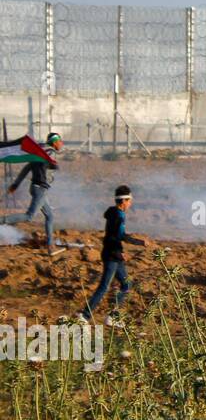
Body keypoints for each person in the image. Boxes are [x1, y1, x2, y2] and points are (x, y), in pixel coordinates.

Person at [79, 185, 147, 326]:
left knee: (126, 284)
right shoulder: (119, 215)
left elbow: (112, 236)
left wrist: (120, 252)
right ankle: (85, 315)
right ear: (123, 201)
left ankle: (113, 317)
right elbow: (119, 236)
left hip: (114, 254)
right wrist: (140, 242)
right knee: (104, 286)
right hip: (112, 255)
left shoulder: (113, 213)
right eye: (129, 200)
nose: (130, 203)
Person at [2, 132, 65, 257]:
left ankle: (50, 246)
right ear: (54, 142)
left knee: (50, 216)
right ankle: (2, 221)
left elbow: (27, 168)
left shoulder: (39, 152)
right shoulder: (48, 153)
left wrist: (15, 184)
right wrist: (54, 164)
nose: (62, 144)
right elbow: (48, 165)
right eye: (60, 141)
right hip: (40, 188)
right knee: (29, 216)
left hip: (36, 188)